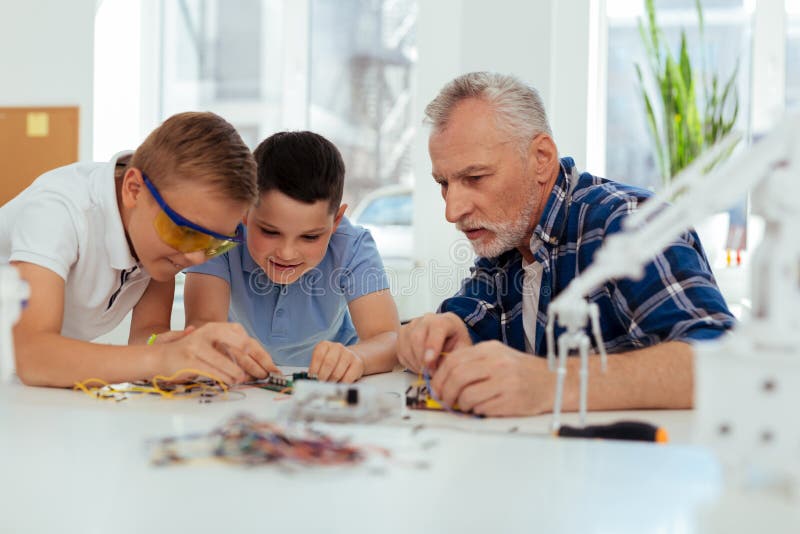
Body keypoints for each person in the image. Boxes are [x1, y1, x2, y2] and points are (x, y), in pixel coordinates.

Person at [397, 72, 735, 416]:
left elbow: (723, 362)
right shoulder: (506, 238)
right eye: (443, 182)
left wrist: (552, 383)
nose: (453, 211)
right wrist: (445, 334)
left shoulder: (631, 222)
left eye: (475, 178)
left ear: (542, 158)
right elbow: (469, 322)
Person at [1, 111, 278, 387]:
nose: (194, 258)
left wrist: (186, 348)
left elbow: (147, 334)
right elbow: (33, 356)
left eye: (214, 243)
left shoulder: (156, 241)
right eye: (185, 231)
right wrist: (160, 359)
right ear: (134, 189)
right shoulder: (58, 211)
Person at [184, 131, 400, 383]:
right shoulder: (221, 235)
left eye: (310, 237)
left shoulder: (353, 245)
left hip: (328, 383)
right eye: (270, 231)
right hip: (242, 379)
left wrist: (358, 358)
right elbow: (203, 327)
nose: (286, 253)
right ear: (244, 211)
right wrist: (218, 347)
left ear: (335, 222)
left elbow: (389, 339)